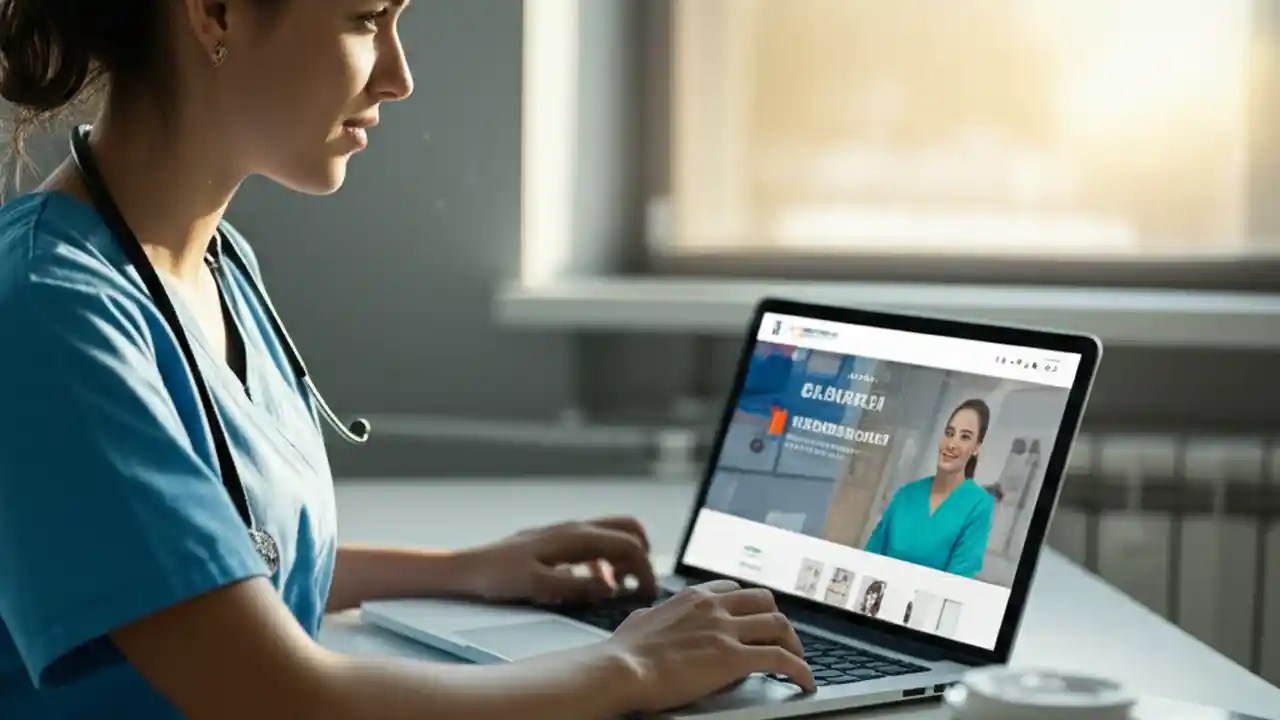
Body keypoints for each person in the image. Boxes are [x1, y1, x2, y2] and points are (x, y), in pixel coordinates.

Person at [0, 1, 815, 717]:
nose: (399, 76)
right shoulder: (51, 314)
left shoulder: (214, 264)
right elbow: (283, 700)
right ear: (215, 11)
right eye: (366, 19)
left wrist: (471, 569)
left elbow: (202, 573)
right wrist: (632, 664)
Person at [864, 399, 995, 578]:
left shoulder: (979, 505)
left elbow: (958, 580)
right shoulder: (906, 495)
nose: (952, 443)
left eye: (965, 437)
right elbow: (870, 557)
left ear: (976, 448)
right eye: (950, 433)